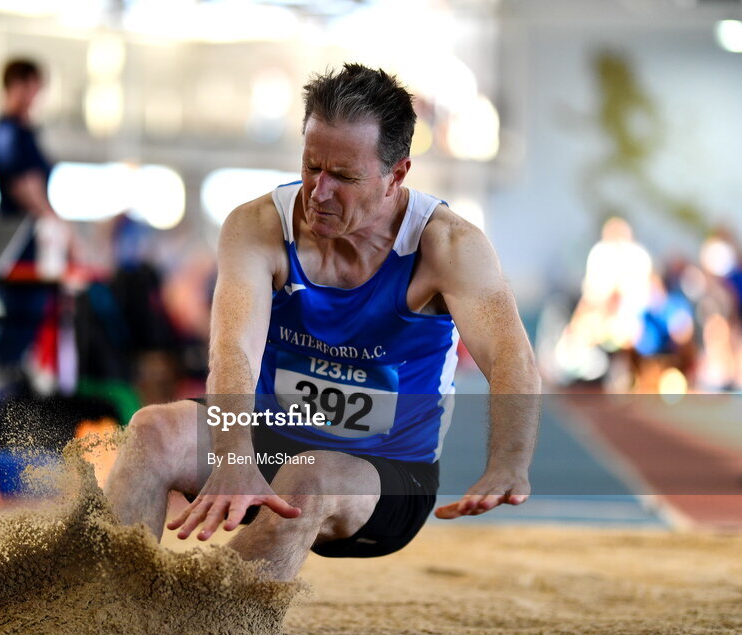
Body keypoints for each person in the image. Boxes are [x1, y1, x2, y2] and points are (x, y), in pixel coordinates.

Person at [104, 64, 541, 582]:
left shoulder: (448, 246)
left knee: (308, 477)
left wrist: (509, 461)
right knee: (152, 430)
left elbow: (511, 357)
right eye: (312, 167)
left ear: (396, 175)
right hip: (263, 433)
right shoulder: (259, 226)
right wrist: (234, 452)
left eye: (345, 177)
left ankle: (213, 624)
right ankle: (107, 607)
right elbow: (233, 350)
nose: (320, 192)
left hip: (380, 474)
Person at [0, 58, 73, 375]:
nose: (37, 97)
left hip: (33, 240)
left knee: (30, 323)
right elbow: (23, 185)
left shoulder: (23, 133)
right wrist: (56, 220)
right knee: (18, 322)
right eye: (33, 88)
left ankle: (9, 392)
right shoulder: (8, 134)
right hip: (18, 242)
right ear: (17, 86)